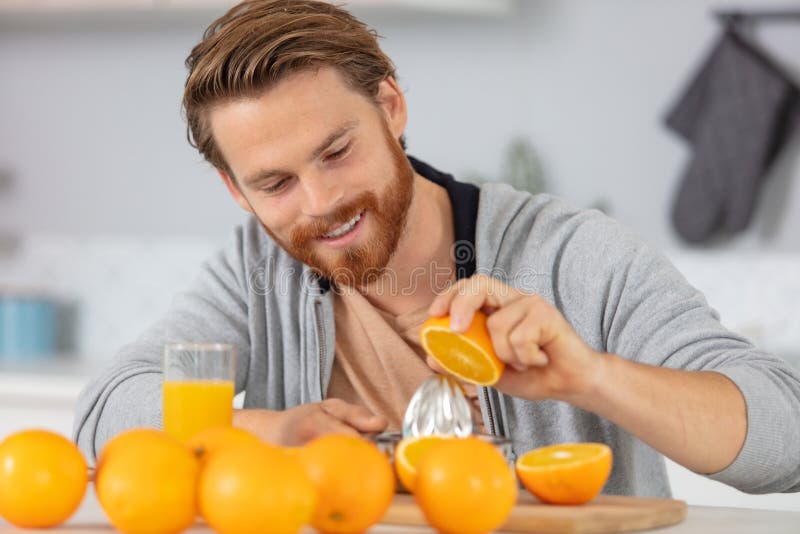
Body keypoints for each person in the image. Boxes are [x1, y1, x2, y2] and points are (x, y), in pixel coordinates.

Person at [73, 0, 800, 498]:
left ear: (391, 108)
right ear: (237, 192)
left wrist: (590, 378)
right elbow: (105, 410)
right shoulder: (257, 270)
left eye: (336, 151)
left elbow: (787, 435)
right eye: (275, 183)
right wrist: (267, 431)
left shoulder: (574, 255)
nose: (320, 203)